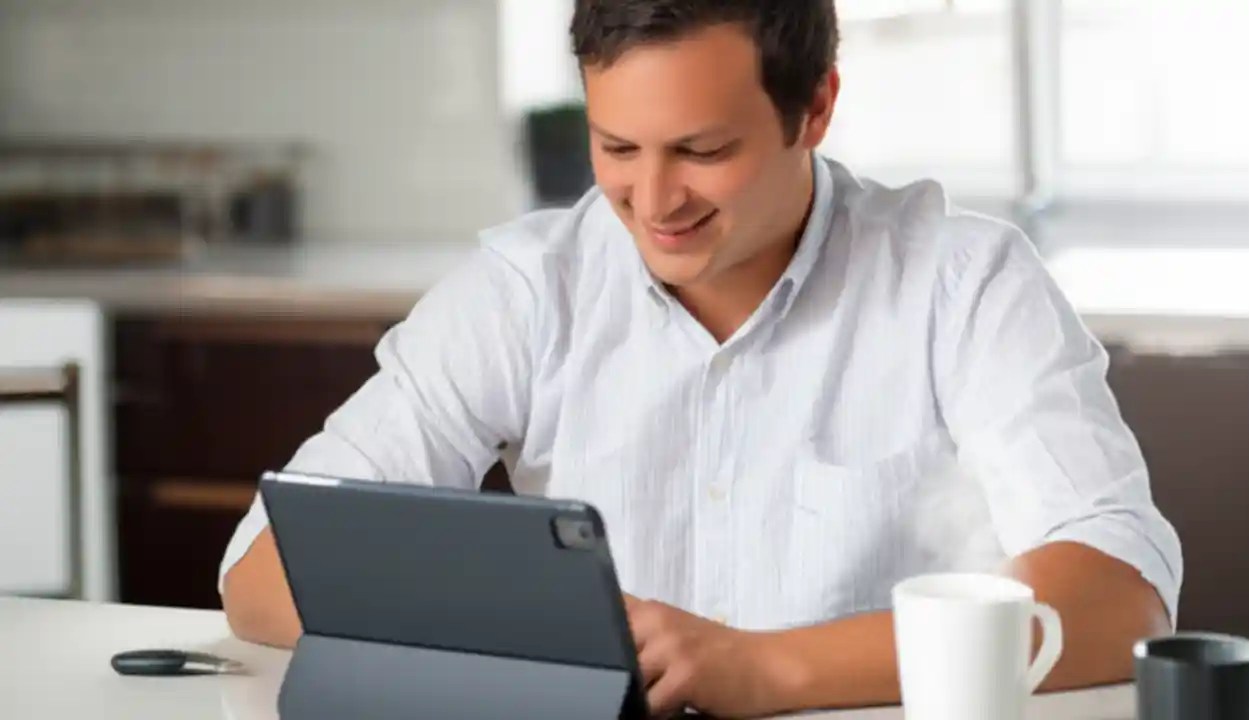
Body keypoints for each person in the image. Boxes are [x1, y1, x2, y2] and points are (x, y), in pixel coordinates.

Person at [220, 1, 1182, 716]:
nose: (652, 199)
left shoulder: (961, 281)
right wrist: (558, 638)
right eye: (616, 147)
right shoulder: (525, 290)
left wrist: (764, 667)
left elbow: (1117, 599)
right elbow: (263, 572)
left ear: (815, 107)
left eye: (702, 150)